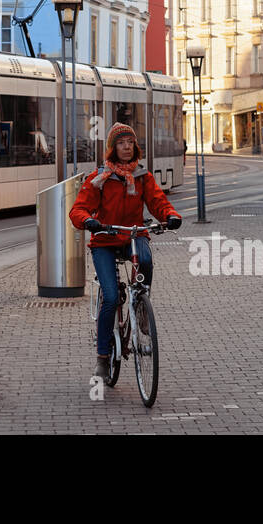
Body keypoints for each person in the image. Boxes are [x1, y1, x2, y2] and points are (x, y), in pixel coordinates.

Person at [69, 122, 182, 381]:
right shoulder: (99, 178)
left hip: (133, 234)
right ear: (112, 148)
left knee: (145, 258)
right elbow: (78, 208)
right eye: (121, 143)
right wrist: (88, 221)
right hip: (104, 239)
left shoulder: (143, 176)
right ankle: (102, 357)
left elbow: (158, 202)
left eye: (130, 142)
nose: (127, 147)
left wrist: (171, 215)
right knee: (110, 297)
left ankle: (141, 304)